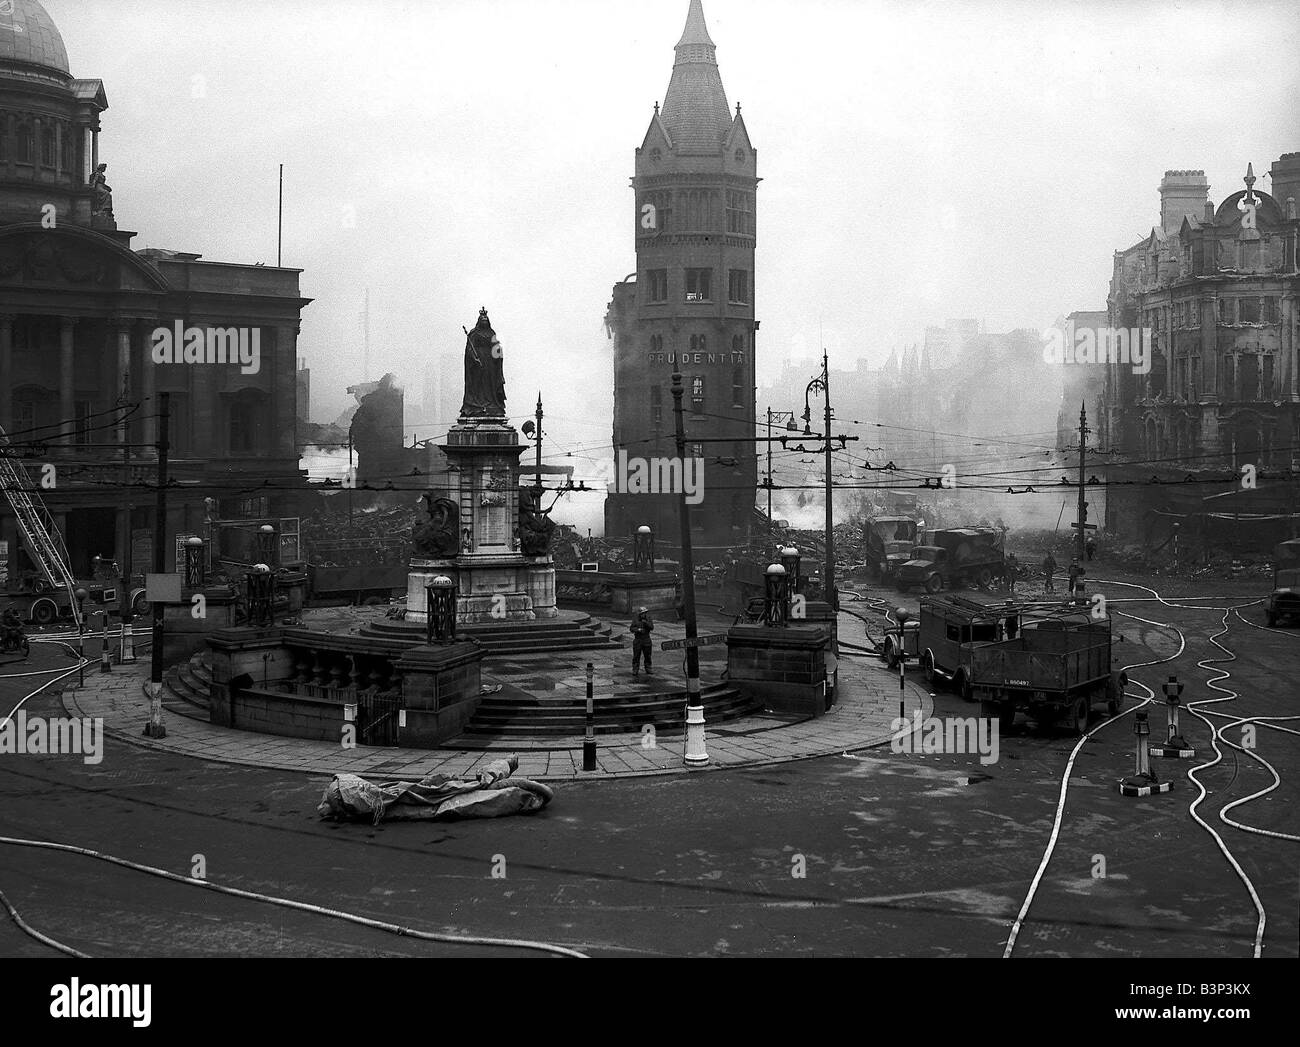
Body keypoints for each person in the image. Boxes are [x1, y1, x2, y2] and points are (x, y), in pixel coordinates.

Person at [631, 607, 654, 676]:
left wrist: (646, 623)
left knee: (647, 655)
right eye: (643, 613)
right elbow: (631, 628)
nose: (644, 614)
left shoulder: (648, 619)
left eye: (645, 613)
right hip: (638, 639)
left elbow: (651, 627)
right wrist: (638, 630)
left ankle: (648, 668)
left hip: (646, 639)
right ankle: (635, 669)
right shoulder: (635, 620)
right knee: (636, 655)